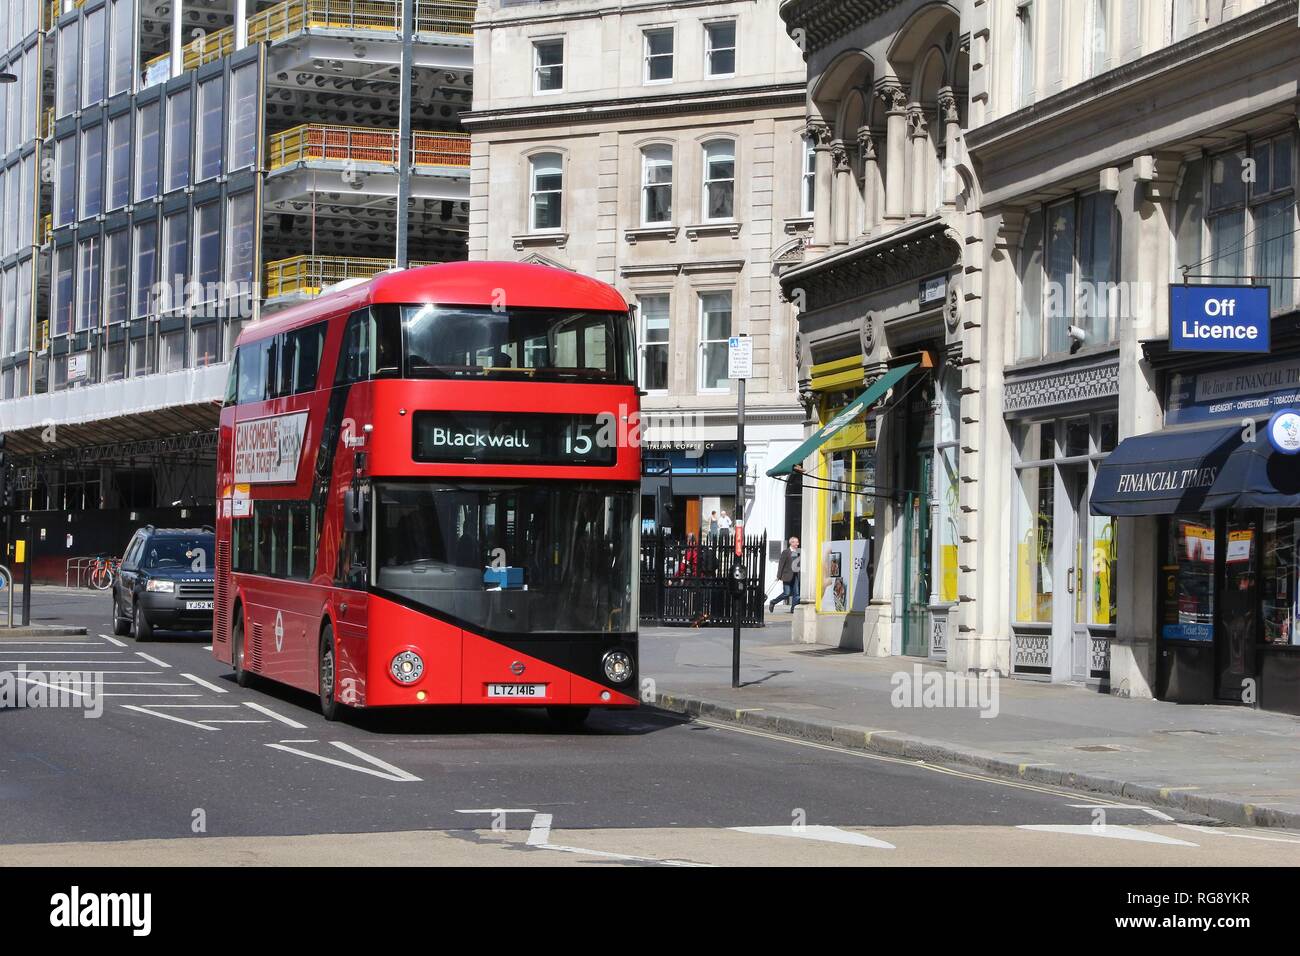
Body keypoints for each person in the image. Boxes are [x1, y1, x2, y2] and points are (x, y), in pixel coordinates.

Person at [769, 537, 801, 613]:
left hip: (795, 576)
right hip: (787, 576)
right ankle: (773, 602)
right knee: (786, 593)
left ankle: (793, 609)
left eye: (798, 542)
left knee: (796, 594)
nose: (798, 544)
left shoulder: (797, 552)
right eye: (796, 542)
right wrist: (778, 576)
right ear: (791, 543)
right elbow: (781, 564)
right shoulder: (786, 552)